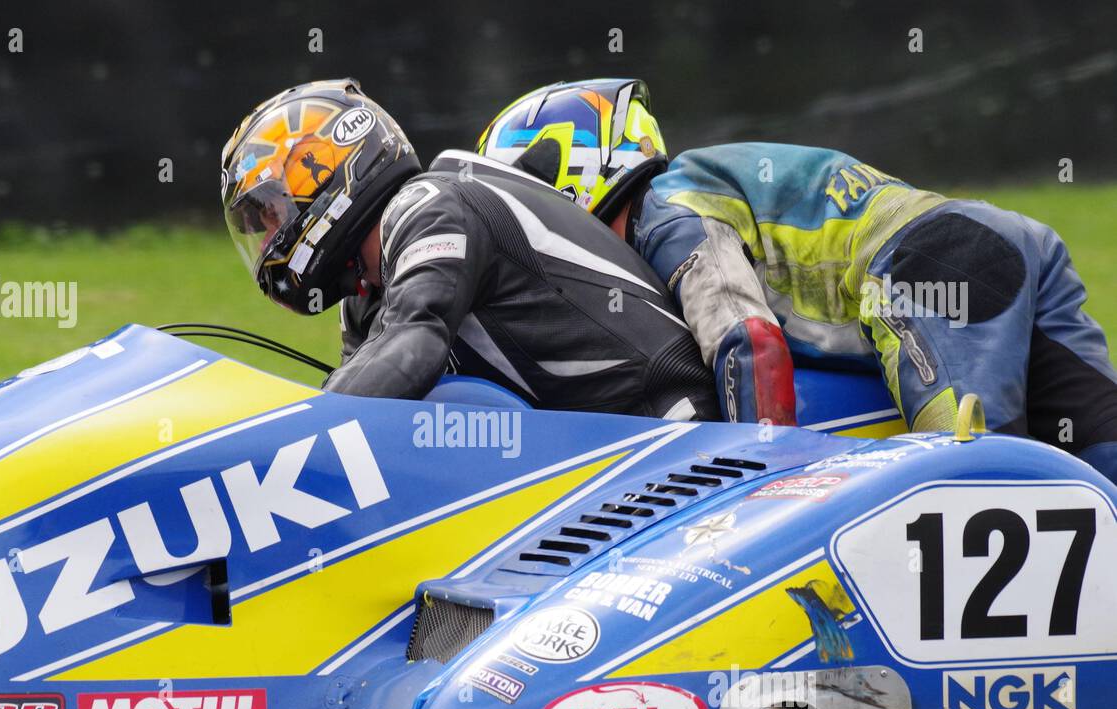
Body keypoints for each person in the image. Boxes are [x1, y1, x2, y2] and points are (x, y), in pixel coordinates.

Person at [477, 79, 1117, 480]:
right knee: (1100, 447)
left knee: (966, 467)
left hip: (931, 262)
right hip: (999, 241)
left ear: (574, 172)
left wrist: (757, 485)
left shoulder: (665, 213)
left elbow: (747, 341)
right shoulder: (695, 186)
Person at [220, 79, 717, 421]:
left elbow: (414, 348)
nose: (267, 241)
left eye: (270, 216)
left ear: (326, 172)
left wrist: (288, 435)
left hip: (675, 428)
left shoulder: (431, 204)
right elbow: (369, 414)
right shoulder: (365, 294)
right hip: (597, 457)